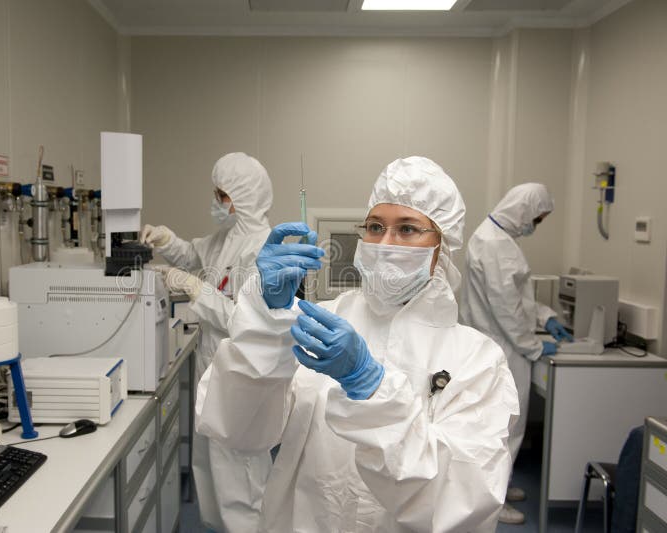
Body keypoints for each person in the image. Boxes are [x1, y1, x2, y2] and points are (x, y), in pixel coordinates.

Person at [196, 156, 519, 531]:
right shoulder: (321, 324)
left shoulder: (476, 359)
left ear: (442, 246)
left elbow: (463, 502)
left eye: (408, 229)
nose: (385, 243)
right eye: (375, 227)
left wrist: (370, 386)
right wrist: (266, 324)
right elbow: (239, 431)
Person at [141, 152, 274, 533]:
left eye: (222, 195)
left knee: (241, 474)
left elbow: (244, 320)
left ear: (242, 196)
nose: (216, 203)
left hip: (241, 374)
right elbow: (194, 254)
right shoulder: (228, 236)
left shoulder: (263, 249)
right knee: (212, 467)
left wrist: (193, 287)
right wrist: (167, 240)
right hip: (213, 366)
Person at [460, 182, 573, 524]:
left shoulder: (495, 239)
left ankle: (500, 486)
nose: (535, 226)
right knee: (504, 429)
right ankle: (492, 505)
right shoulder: (495, 245)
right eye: (537, 219)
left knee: (501, 428)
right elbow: (507, 309)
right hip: (504, 348)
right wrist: (534, 345)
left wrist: (546, 316)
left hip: (500, 343)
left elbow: (517, 297)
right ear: (524, 210)